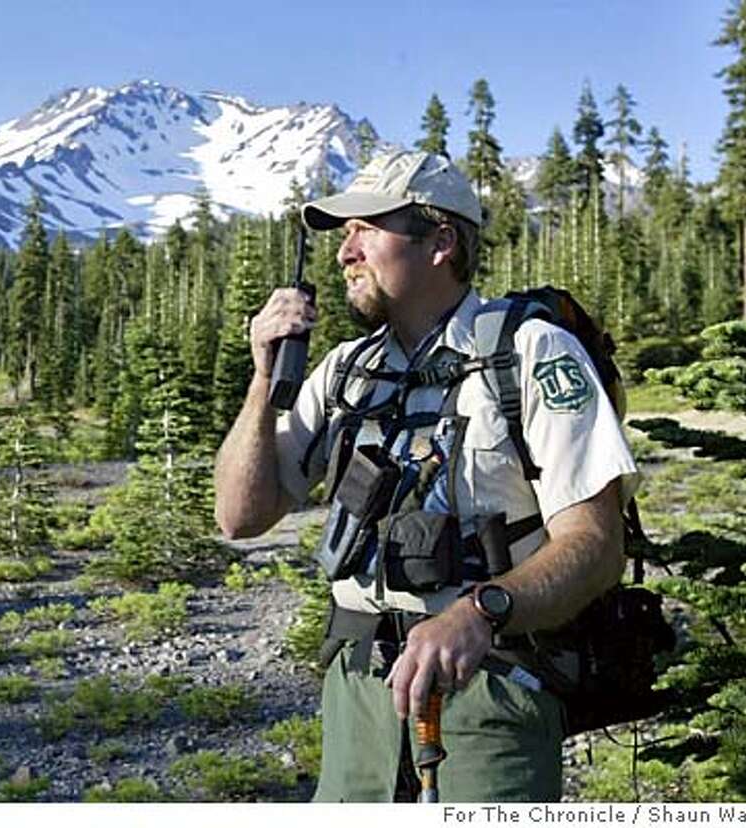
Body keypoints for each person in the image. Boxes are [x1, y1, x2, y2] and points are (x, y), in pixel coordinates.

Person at [213, 150, 641, 802]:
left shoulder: (527, 354)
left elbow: (596, 544)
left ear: (441, 241)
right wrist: (263, 380)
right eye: (341, 234)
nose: (343, 253)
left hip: (490, 689)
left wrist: (482, 610)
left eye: (365, 229)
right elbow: (240, 516)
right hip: (358, 694)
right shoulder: (342, 370)